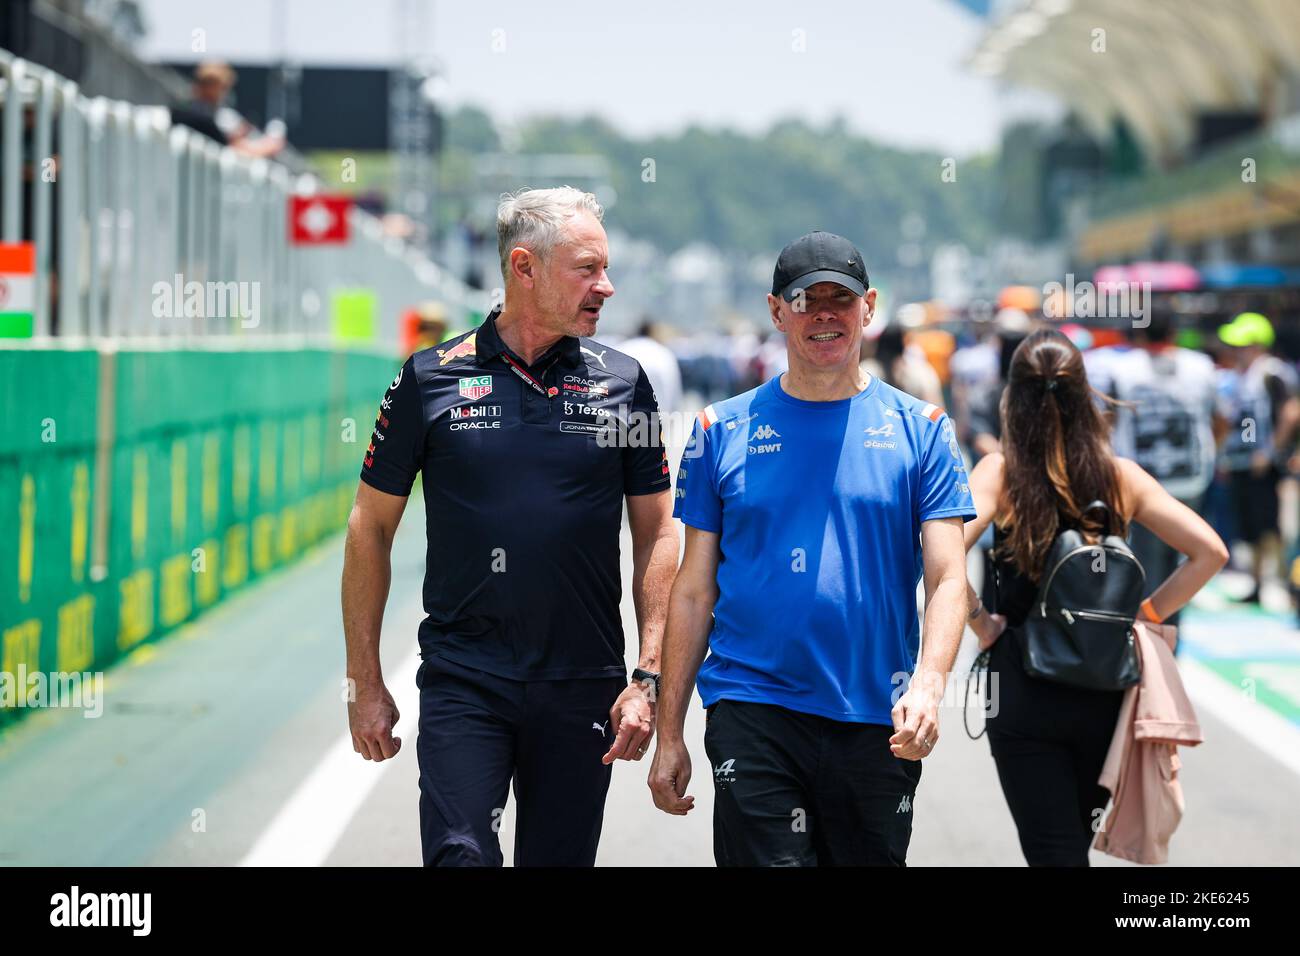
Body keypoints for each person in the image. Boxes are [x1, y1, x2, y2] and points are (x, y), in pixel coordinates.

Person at [341, 186, 679, 866]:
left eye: (605, 268)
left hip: (582, 682)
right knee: (460, 856)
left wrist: (647, 678)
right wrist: (364, 681)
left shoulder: (626, 382)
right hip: (465, 678)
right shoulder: (428, 379)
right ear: (524, 268)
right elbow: (368, 528)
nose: (606, 287)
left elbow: (659, 534)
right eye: (587, 269)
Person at [648, 231, 977, 866]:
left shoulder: (924, 431)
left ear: (869, 307)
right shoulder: (721, 430)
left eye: (842, 299)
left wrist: (931, 686)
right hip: (754, 709)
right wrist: (670, 732)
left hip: (877, 719)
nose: (826, 314)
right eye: (807, 300)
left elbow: (947, 580)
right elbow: (693, 589)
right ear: (777, 311)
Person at [963, 329, 1228, 867]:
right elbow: (1210, 552)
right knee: (1069, 848)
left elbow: (934, 553)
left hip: (1021, 683)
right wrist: (1146, 616)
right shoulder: (1117, 476)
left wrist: (981, 624)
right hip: (1105, 685)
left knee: (1052, 852)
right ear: (1086, 396)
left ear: (1011, 398)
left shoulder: (1001, 472)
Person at [1083, 306, 1221, 631]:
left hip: (1142, 483)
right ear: (1173, 333)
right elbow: (1220, 418)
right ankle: (1168, 632)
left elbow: (1106, 420)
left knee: (1145, 564)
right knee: (1190, 559)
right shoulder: (1200, 366)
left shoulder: (1121, 368)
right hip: (1192, 477)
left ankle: (1146, 635)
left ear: (1139, 335)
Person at [1214, 312, 1300, 605]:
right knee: (1248, 524)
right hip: (1241, 462)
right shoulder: (1238, 377)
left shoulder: (1273, 372)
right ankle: (1257, 582)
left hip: (1264, 465)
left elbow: (1291, 412)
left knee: (1269, 524)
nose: (1237, 351)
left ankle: (1280, 579)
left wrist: (1270, 451)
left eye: (1243, 345)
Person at [171, 61, 285, 158]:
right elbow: (233, 149)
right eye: (210, 83)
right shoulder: (194, 117)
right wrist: (267, 146)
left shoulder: (189, 113)